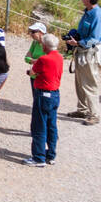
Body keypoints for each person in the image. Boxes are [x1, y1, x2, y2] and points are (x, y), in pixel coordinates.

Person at [65, 0, 101, 125]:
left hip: (89, 52)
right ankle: (82, 109)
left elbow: (94, 38)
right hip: (81, 50)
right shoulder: (88, 12)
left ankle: (94, 114)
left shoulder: (97, 15)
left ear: (87, 0)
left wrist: (78, 43)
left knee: (89, 83)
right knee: (79, 81)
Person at [25, 33, 63, 167]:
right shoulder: (59, 58)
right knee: (51, 125)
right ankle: (50, 154)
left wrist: (30, 72)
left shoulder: (43, 59)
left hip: (43, 93)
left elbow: (33, 72)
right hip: (55, 94)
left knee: (39, 125)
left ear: (45, 46)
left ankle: (38, 157)